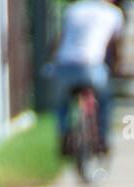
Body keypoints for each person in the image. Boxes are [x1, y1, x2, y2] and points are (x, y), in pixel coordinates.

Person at [52, 0, 124, 155]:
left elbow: (61, 38)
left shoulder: (73, 9)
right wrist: (116, 67)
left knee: (61, 103)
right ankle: (102, 138)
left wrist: (53, 61)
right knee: (105, 101)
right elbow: (115, 46)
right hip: (92, 65)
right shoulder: (113, 13)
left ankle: (64, 133)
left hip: (65, 63)